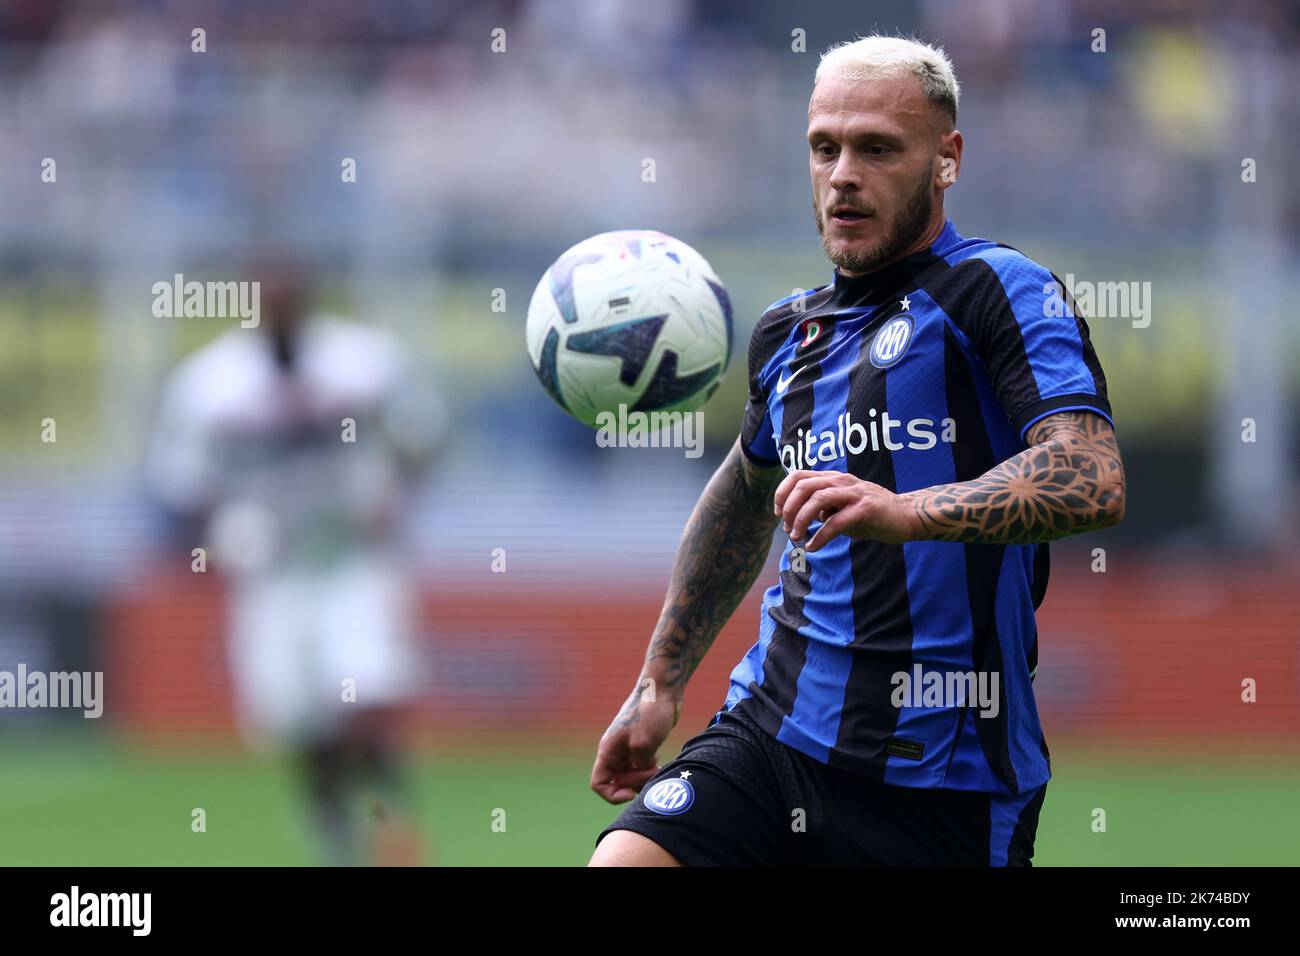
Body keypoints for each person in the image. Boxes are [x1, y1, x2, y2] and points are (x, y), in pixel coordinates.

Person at [589, 35, 1126, 866]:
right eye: (824, 147)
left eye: (877, 148)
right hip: (771, 732)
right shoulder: (786, 334)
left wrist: (904, 511)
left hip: (947, 777)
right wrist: (661, 680)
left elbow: (1091, 475)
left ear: (946, 159)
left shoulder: (998, 288)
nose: (843, 173)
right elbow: (741, 496)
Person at [147, 258, 445, 865]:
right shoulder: (210, 385)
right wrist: (218, 539)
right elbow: (181, 489)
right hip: (273, 578)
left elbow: (423, 437)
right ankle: (333, 830)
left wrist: (397, 494)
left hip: (355, 562)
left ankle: (392, 825)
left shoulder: (364, 363)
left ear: (308, 300)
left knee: (367, 695)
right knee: (299, 722)